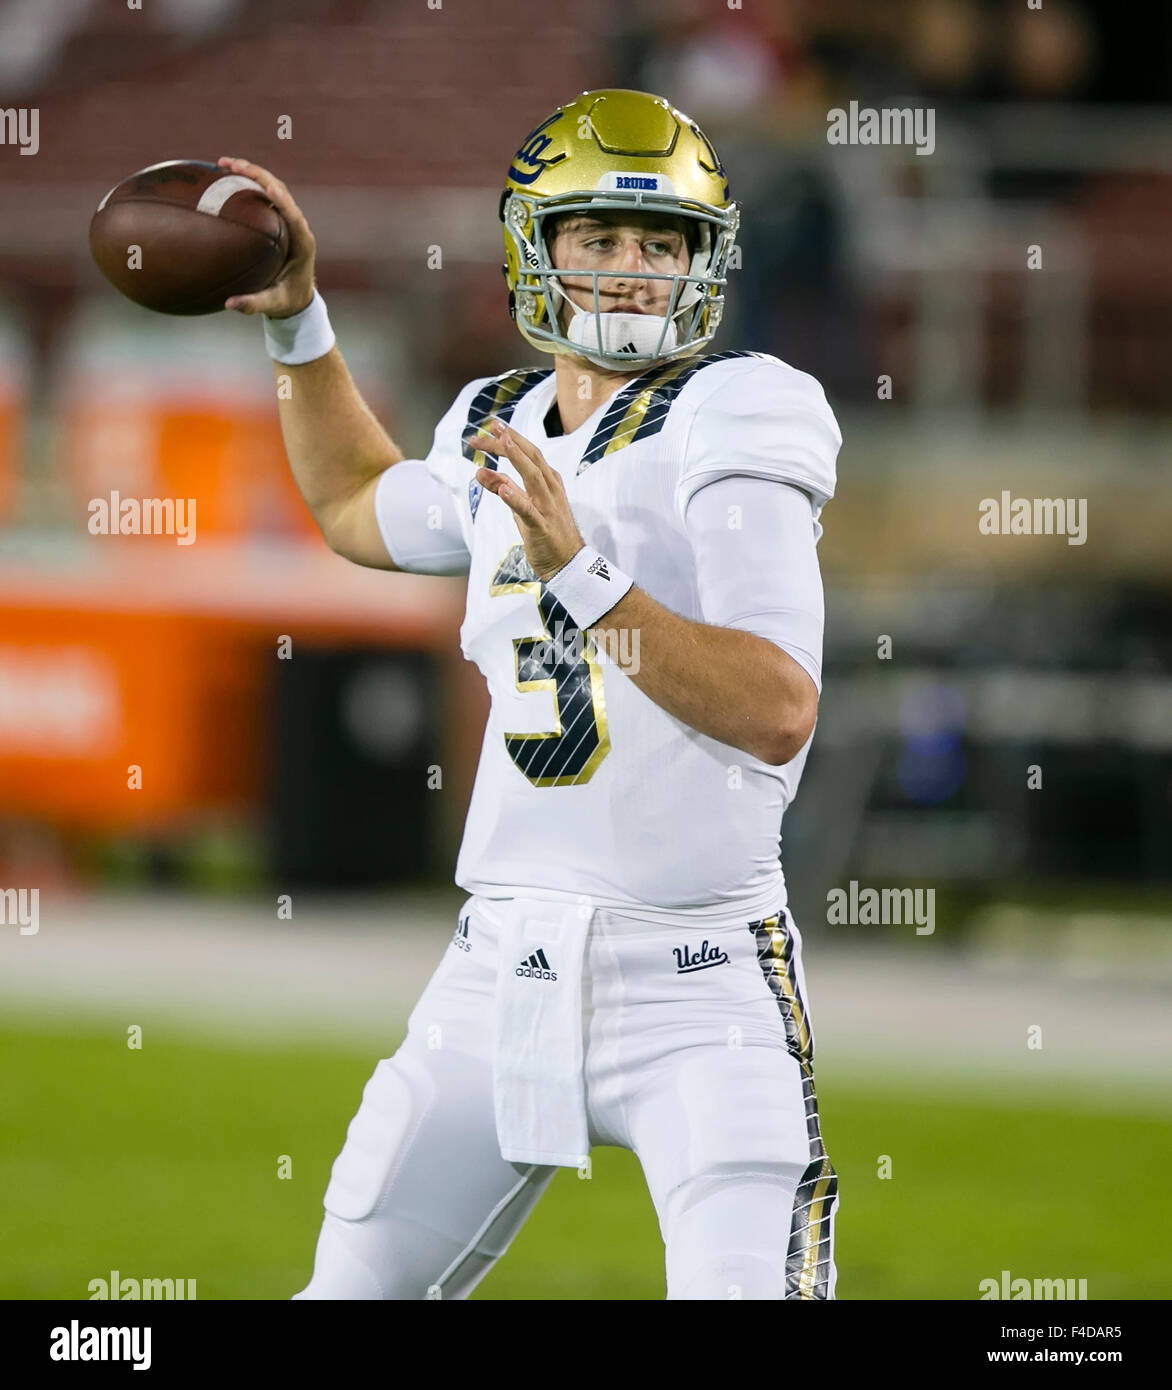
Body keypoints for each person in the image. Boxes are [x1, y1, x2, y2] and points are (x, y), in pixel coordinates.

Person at [220, 87, 841, 1301]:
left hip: (699, 981)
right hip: (502, 959)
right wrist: (297, 319)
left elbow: (776, 706)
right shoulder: (495, 419)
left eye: (659, 243)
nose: (626, 269)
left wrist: (586, 578)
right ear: (534, 248)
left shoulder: (737, 411)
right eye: (596, 237)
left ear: (700, 265)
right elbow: (356, 505)